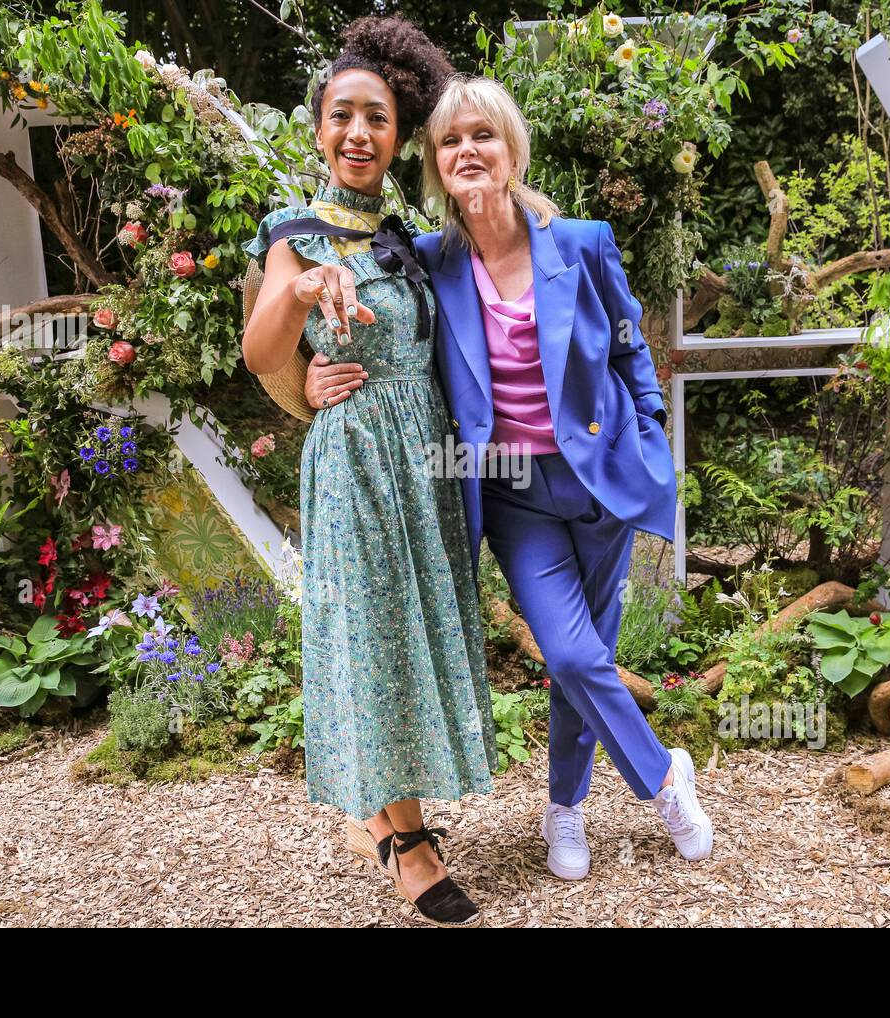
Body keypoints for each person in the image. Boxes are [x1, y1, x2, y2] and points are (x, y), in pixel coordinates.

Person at [305, 74, 713, 882]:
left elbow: (633, 348)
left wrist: (655, 440)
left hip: (601, 483)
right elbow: (351, 314)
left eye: (482, 136)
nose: (468, 152)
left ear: (511, 149)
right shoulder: (426, 260)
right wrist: (311, 378)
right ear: (434, 162)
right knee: (566, 653)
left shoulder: (585, 242)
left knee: (588, 657)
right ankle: (664, 777)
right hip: (514, 493)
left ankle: (564, 807)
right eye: (451, 140)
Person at [242, 18, 496, 927]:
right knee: (373, 638)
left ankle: (379, 811)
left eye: (377, 119)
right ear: (318, 128)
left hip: (422, 459)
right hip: (353, 458)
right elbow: (259, 347)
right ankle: (408, 842)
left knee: (413, 628)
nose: (358, 132)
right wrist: (301, 298)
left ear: (398, 137)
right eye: (342, 115)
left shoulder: (408, 234)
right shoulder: (293, 233)